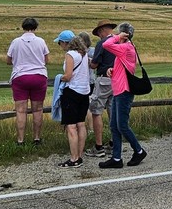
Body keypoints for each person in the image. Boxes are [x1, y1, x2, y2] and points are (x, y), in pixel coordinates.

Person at [98, 22, 147, 169]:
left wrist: (116, 37)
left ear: (124, 34)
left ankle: (139, 150)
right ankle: (117, 157)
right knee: (114, 126)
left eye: (119, 33)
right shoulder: (125, 49)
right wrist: (112, 70)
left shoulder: (125, 47)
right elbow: (124, 64)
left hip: (124, 91)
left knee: (122, 126)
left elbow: (105, 45)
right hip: (118, 89)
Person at [6, 17, 50, 146]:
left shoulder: (16, 42)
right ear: (35, 27)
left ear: (23, 27)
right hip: (38, 76)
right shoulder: (41, 41)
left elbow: (8, 60)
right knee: (37, 109)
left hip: (20, 76)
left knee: (20, 110)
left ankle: (20, 140)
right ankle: (36, 138)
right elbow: (46, 60)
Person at [55, 30, 91, 167]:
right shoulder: (84, 53)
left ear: (65, 43)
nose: (60, 46)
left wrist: (60, 77)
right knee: (81, 124)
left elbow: (68, 75)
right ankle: (79, 155)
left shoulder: (70, 55)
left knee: (71, 126)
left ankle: (74, 158)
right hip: (84, 91)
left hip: (72, 91)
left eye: (60, 43)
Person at [84, 20, 116, 159]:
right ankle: (114, 143)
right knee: (112, 111)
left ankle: (98, 146)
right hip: (117, 80)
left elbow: (95, 65)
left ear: (102, 30)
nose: (99, 36)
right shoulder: (119, 42)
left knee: (96, 112)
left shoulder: (102, 44)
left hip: (103, 79)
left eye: (98, 33)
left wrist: (89, 62)